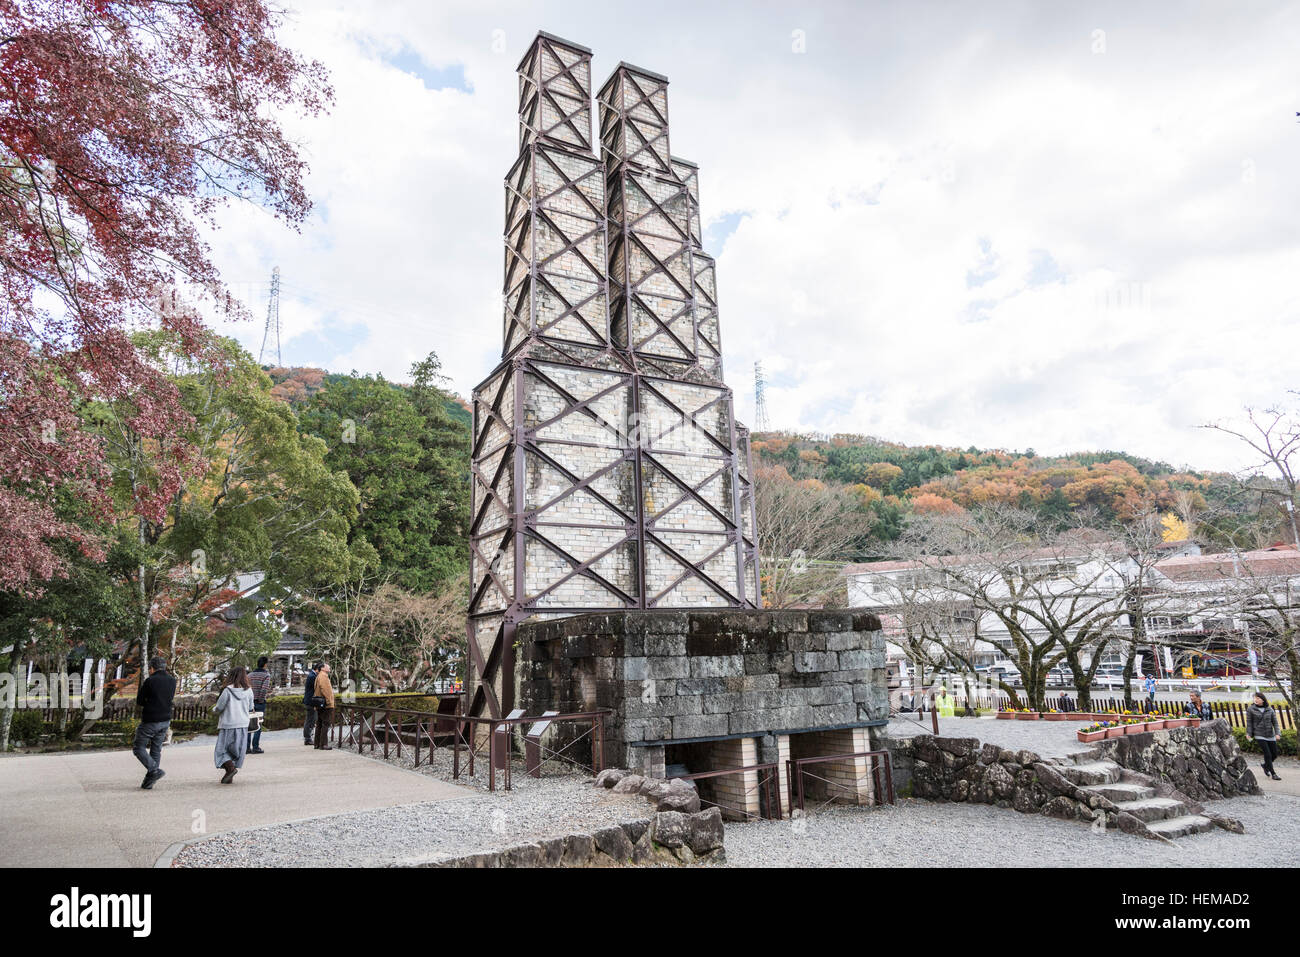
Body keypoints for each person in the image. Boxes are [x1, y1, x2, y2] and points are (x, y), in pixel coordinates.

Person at [133, 656, 176, 790]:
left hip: (151, 719)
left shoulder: (150, 681)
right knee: (156, 749)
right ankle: (149, 781)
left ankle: (154, 770)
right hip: (166, 719)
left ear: (152, 668)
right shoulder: (172, 680)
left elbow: (140, 701)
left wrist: (149, 703)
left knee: (138, 748)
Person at [213, 666, 255, 783]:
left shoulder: (227, 690)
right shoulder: (249, 690)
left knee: (222, 750)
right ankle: (229, 773)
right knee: (235, 750)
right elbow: (251, 707)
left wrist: (214, 710)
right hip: (243, 724)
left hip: (228, 724)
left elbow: (220, 707)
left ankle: (230, 769)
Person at [1246, 692, 1282, 781]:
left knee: (1274, 754)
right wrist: (1249, 734)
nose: (1256, 700)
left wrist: (1277, 733)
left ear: (1263, 699)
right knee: (1268, 754)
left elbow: (1275, 723)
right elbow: (1249, 723)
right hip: (1259, 734)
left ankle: (1265, 766)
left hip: (1270, 734)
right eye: (1255, 698)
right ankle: (1273, 773)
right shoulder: (1251, 709)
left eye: (1258, 698)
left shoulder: (1270, 709)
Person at [248, 656, 272, 754]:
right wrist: (261, 700)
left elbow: (246, 688)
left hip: (249, 702)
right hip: (259, 702)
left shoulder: (249, 675)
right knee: (258, 725)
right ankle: (255, 747)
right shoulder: (266, 675)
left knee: (248, 725)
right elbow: (264, 689)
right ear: (265, 664)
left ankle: (246, 747)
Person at [312, 662, 335, 751]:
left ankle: (317, 743)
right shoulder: (323, 676)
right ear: (322, 668)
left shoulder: (319, 676)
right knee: (325, 723)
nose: (329, 667)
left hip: (320, 703)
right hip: (325, 704)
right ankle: (323, 744)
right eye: (327, 666)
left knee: (320, 723)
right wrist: (329, 701)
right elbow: (325, 690)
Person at [303, 662, 318, 746]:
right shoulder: (313, 676)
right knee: (310, 720)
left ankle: (308, 737)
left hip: (309, 701)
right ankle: (308, 738)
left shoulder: (312, 675)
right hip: (311, 702)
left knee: (310, 719)